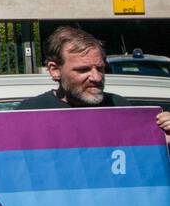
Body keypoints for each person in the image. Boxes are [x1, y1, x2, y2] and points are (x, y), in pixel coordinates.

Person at [14, 27, 170, 137]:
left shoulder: (120, 107)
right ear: (55, 70)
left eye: (100, 68)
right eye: (83, 70)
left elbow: (140, 162)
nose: (97, 78)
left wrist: (162, 136)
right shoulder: (30, 113)